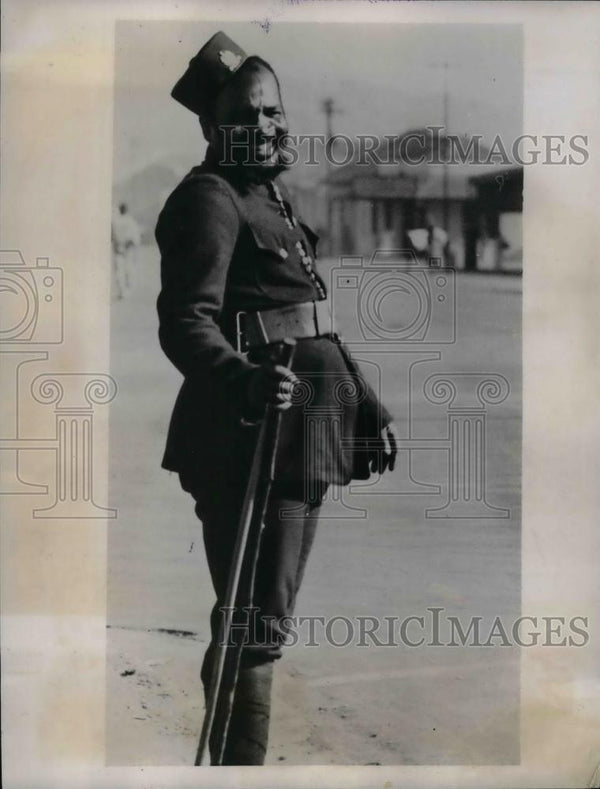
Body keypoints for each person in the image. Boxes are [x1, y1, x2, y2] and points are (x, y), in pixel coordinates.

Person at [156, 31, 398, 766]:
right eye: (250, 115)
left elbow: (309, 315)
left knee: (259, 619)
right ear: (212, 127)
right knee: (258, 623)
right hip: (248, 435)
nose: (268, 127)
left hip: (305, 434)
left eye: (274, 113)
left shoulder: (272, 201)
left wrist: (367, 402)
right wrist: (245, 379)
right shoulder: (210, 199)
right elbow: (185, 322)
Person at [111, 202, 141, 299]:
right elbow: (135, 237)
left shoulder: (115, 221)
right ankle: (127, 289)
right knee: (128, 268)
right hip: (128, 248)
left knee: (119, 270)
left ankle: (122, 291)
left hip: (118, 248)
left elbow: (112, 236)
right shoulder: (131, 221)